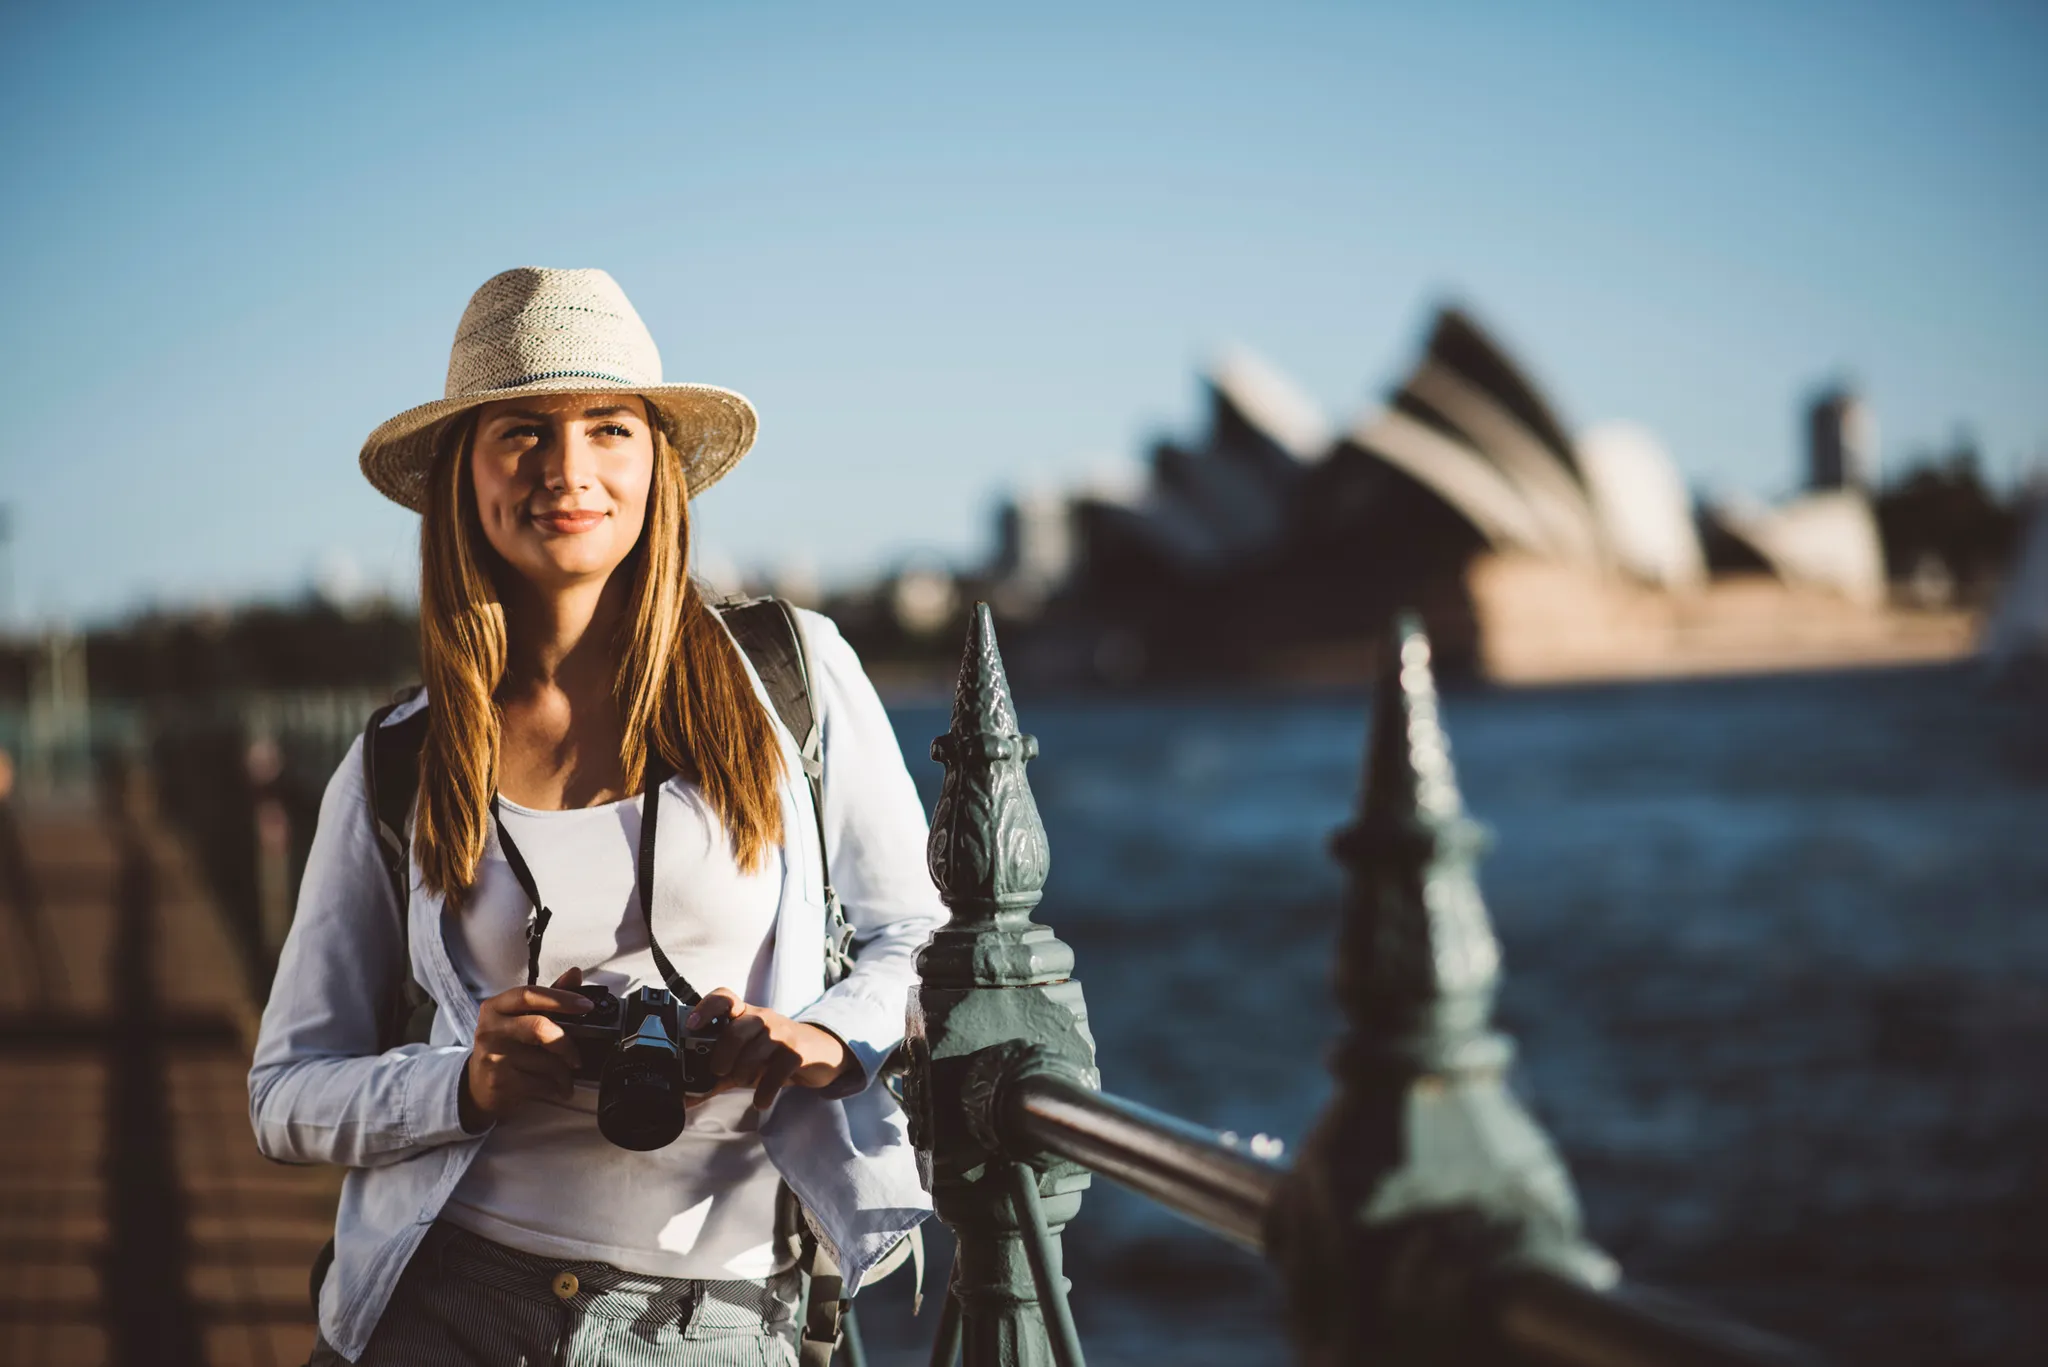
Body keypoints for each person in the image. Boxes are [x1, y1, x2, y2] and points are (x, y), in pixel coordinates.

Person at [250, 267, 947, 1366]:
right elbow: (283, 1093)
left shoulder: (788, 676)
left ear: (656, 466)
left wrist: (821, 1039)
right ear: (463, 473)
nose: (567, 470)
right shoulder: (399, 758)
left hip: (712, 1320)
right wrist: (464, 1080)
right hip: (446, 1301)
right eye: (522, 431)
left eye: (608, 427)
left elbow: (925, 937)